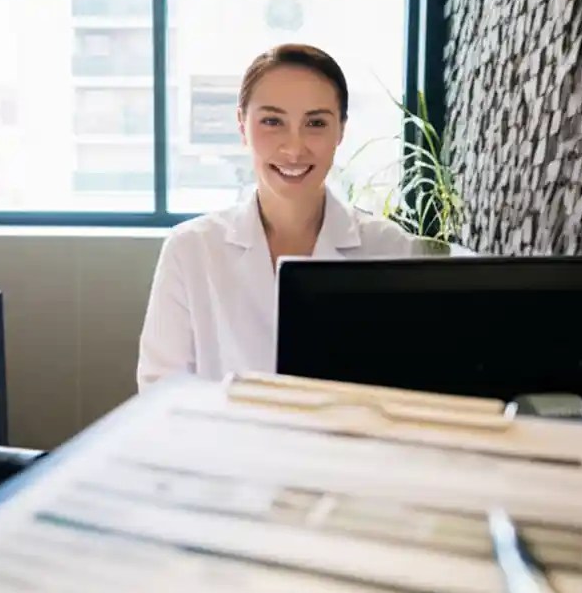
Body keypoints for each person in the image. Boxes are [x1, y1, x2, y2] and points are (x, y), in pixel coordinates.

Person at [136, 43, 417, 389]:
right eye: (272, 121)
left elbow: (405, 388)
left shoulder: (390, 249)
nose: (294, 148)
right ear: (242, 125)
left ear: (341, 129)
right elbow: (161, 392)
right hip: (225, 442)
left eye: (315, 123)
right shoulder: (191, 248)